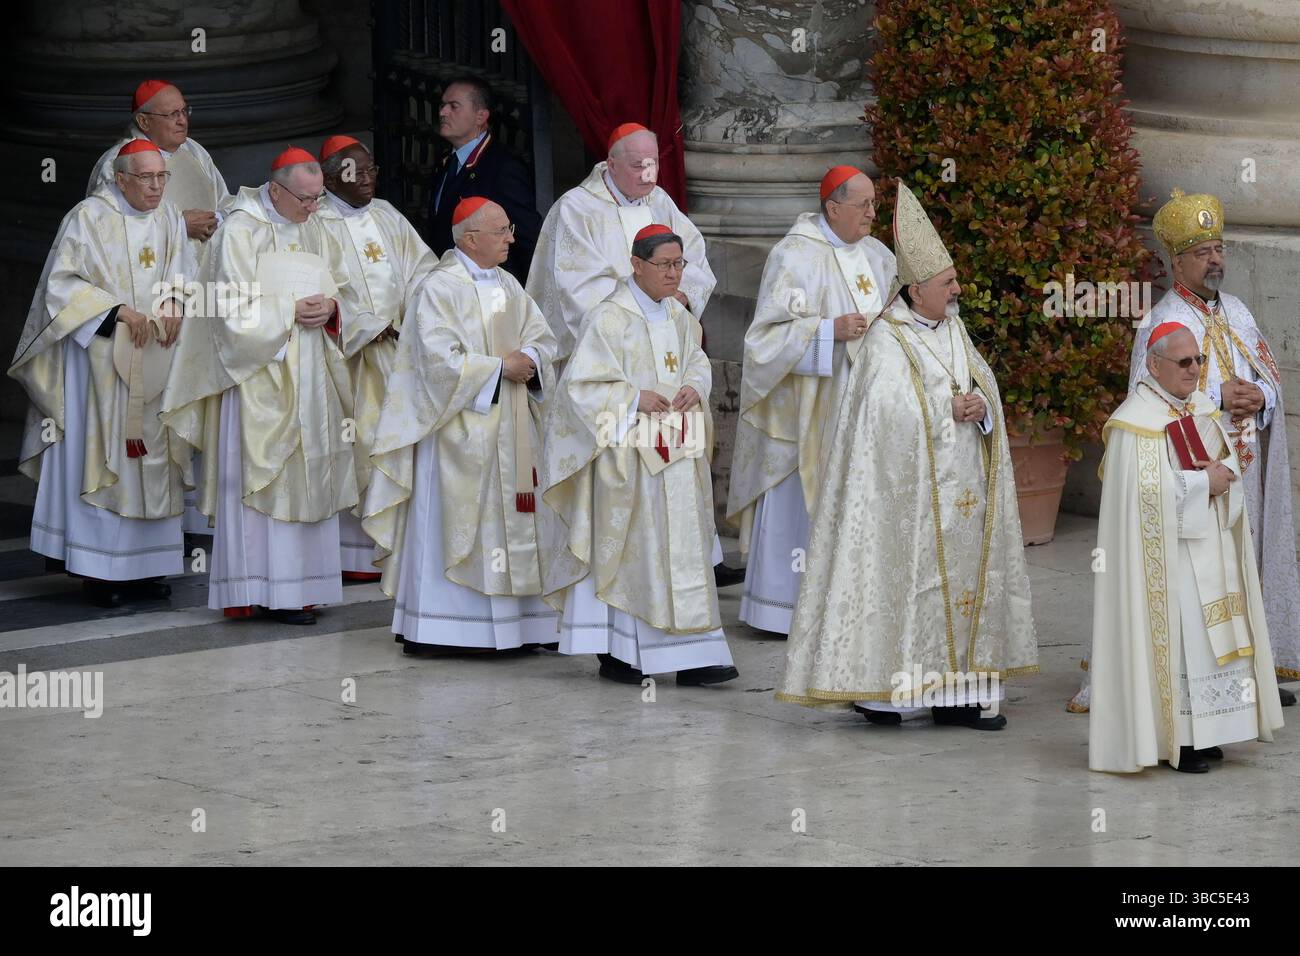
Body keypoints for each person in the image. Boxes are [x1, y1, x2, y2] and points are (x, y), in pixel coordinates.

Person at [776, 182, 1037, 728]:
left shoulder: (954, 328)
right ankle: (888, 693)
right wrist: (948, 413)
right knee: (904, 582)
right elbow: (882, 419)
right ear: (915, 291)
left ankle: (961, 694)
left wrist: (982, 408)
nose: (957, 291)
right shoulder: (884, 341)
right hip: (908, 500)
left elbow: (982, 384)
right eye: (947, 283)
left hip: (963, 489)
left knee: (964, 591)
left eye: (955, 280)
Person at [1070, 189, 1299, 711]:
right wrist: (1218, 396)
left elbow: (1268, 373)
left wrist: (1262, 394)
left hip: (1243, 468)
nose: (1216, 259)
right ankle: (1186, 680)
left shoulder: (1238, 311)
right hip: (1194, 476)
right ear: (1178, 261)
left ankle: (1253, 671)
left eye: (1219, 248)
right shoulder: (1162, 323)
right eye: (1203, 252)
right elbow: (1145, 403)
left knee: (1245, 562)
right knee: (1200, 578)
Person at [161, 147, 358, 625]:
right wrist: (286, 312)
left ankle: (303, 589)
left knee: (310, 475)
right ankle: (254, 591)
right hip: (256, 377)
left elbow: (348, 289)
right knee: (260, 480)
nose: (314, 208)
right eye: (306, 199)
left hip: (311, 369)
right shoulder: (240, 230)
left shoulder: (319, 225)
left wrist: (333, 311)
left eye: (319, 198)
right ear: (276, 189)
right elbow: (225, 312)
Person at [540, 224, 738, 686]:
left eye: (679, 265)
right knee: (636, 553)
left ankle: (696, 653)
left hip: (679, 453)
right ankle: (623, 651)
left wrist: (694, 386)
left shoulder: (681, 317)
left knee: (686, 551)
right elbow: (581, 388)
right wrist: (633, 400)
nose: (675, 275)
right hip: (628, 458)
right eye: (665, 265)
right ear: (636, 265)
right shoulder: (608, 319)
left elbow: (697, 362)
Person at [364, 197, 562, 653]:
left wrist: (529, 359)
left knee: (518, 516)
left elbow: (542, 337)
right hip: (458, 433)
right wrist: (498, 369)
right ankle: (444, 626)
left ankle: (523, 625)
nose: (512, 237)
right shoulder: (439, 288)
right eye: (502, 230)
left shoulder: (509, 284)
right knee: (458, 524)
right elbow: (432, 364)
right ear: (471, 239)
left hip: (512, 424)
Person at [1089, 321, 1284, 773]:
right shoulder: (1135, 423)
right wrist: (1203, 483)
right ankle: (1177, 741)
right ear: (1154, 365)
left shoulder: (1196, 407)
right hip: (1169, 561)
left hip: (1209, 546)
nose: (1195, 369)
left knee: (1214, 640)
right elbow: (1141, 495)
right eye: (1184, 362)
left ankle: (1211, 732)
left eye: (1198, 360)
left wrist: (1227, 468)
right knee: (1185, 644)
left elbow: (1225, 458)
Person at [10, 139, 188, 608]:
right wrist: (116, 311)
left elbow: (182, 271)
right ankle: (101, 570)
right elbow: (61, 285)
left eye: (161, 177)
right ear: (121, 178)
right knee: (105, 456)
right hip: (100, 362)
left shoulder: (169, 216)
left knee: (154, 455)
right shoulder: (88, 217)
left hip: (156, 358)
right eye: (146, 178)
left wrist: (174, 302)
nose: (156, 187)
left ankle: (149, 567)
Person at [727, 166, 896, 634]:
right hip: (806, 411)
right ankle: (781, 609)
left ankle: (846, 604)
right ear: (832, 207)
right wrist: (828, 331)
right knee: (799, 501)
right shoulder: (794, 256)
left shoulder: (879, 256)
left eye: (874, 203)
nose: (871, 212)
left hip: (864, 400)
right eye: (863, 204)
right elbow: (762, 341)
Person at [317, 134, 437, 581]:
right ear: (331, 178)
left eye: (371, 171)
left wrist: (416, 313)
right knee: (356, 446)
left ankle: (395, 541)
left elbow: (423, 271)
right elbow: (317, 289)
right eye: (356, 172)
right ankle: (353, 553)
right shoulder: (317, 221)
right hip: (349, 359)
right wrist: (366, 324)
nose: (367, 179)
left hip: (400, 355)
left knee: (396, 444)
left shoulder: (387, 215)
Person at [424, 76, 540, 283]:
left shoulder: (503, 167)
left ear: (480, 116)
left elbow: (527, 236)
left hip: (491, 290)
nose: (442, 112)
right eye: (442, 105)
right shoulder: (445, 162)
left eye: (454, 106)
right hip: (452, 285)